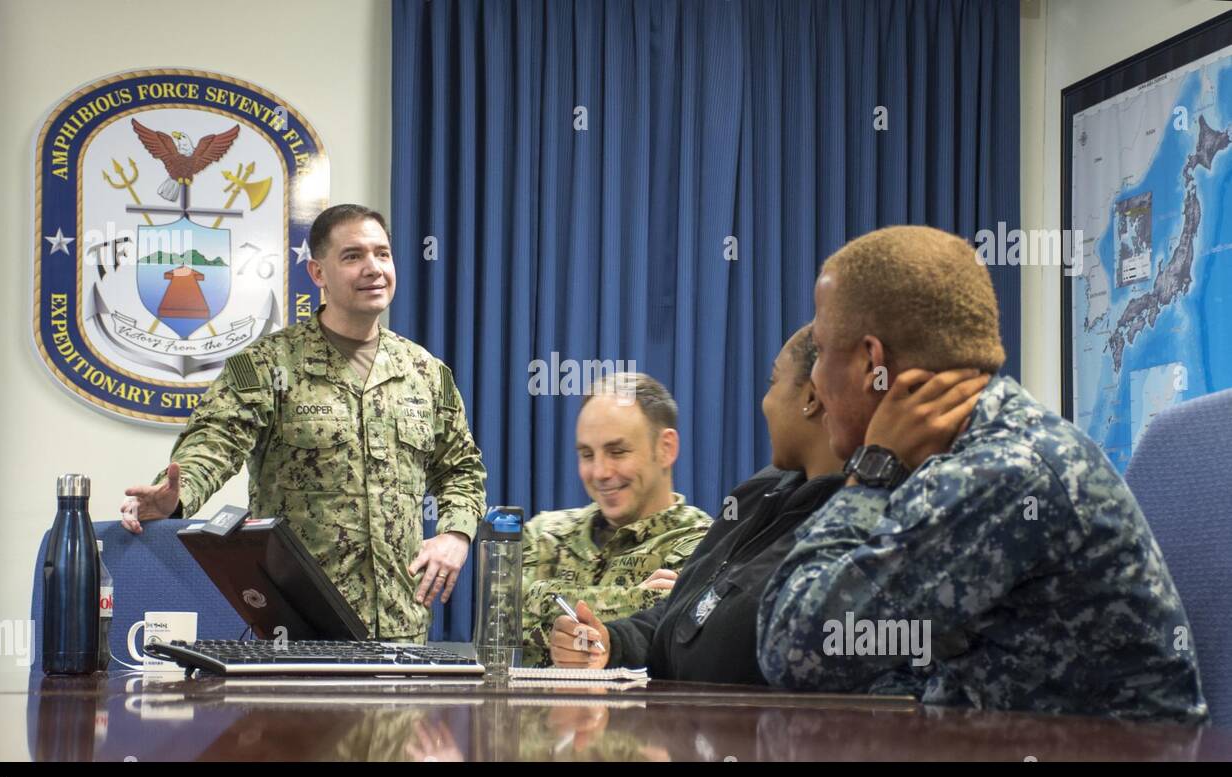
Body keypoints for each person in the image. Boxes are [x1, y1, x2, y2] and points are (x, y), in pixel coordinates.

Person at [756, 225, 1206, 722]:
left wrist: (870, 474)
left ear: (871, 361)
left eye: (819, 351)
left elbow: (792, 648)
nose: (814, 381)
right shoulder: (959, 455)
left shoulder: (1001, 471)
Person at [120, 204, 487, 644]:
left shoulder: (425, 372)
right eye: (352, 256)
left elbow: (461, 470)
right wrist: (175, 498)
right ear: (318, 273)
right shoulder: (267, 365)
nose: (373, 268)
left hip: (400, 629)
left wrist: (455, 534)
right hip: (294, 627)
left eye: (382, 254)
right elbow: (215, 442)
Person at [548, 326, 845, 684]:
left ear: (811, 398)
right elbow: (685, 613)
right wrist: (613, 642)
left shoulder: (856, 521)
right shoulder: (760, 492)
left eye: (772, 381)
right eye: (586, 454)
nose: (600, 472)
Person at [520, 373, 712, 666]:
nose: (599, 472)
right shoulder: (544, 534)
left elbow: (680, 642)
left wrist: (541, 597)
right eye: (587, 454)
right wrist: (639, 600)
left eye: (617, 452)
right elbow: (501, 624)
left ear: (666, 448)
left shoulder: (705, 545)